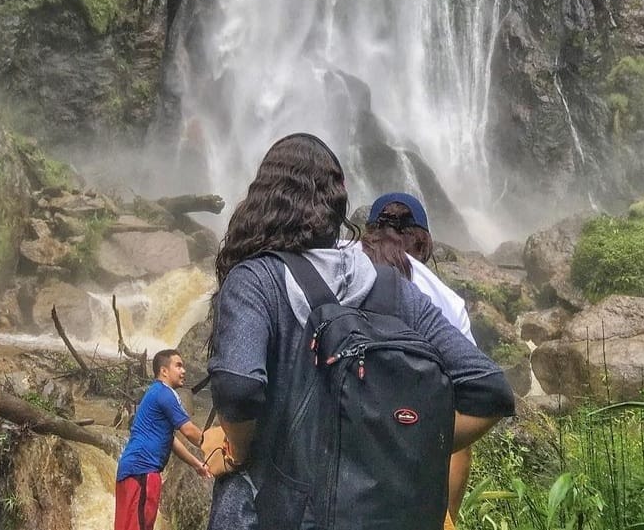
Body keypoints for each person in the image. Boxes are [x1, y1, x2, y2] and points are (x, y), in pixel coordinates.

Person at [206, 135, 514, 530]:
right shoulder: (394, 289)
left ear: (261, 201)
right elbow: (491, 390)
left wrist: (238, 447)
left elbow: (238, 387)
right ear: (338, 204)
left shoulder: (256, 280)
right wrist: (402, 445)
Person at [362, 192, 475, 524]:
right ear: (424, 244)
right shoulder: (448, 303)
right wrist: (446, 515)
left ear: (369, 234)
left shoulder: (339, 272)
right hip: (416, 478)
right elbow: (466, 420)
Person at [115, 348, 211, 530]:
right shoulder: (166, 394)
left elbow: (171, 440)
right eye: (179, 365)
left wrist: (197, 464)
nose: (184, 371)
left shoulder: (154, 393)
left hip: (131, 471)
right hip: (142, 472)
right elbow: (189, 431)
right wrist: (219, 449)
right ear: (164, 371)